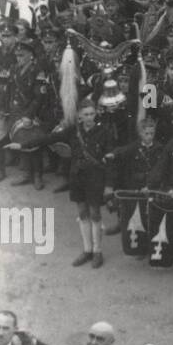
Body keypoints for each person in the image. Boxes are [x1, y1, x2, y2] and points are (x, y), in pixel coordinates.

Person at [52, 100, 116, 268]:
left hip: (95, 178)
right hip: (77, 178)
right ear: (79, 115)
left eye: (92, 114)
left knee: (95, 214)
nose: (89, 117)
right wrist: (22, 144)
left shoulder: (104, 132)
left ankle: (97, 251)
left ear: (96, 114)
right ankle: (87, 250)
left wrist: (109, 184)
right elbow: (50, 138)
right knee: (82, 213)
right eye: (86, 114)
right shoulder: (74, 131)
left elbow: (110, 161)